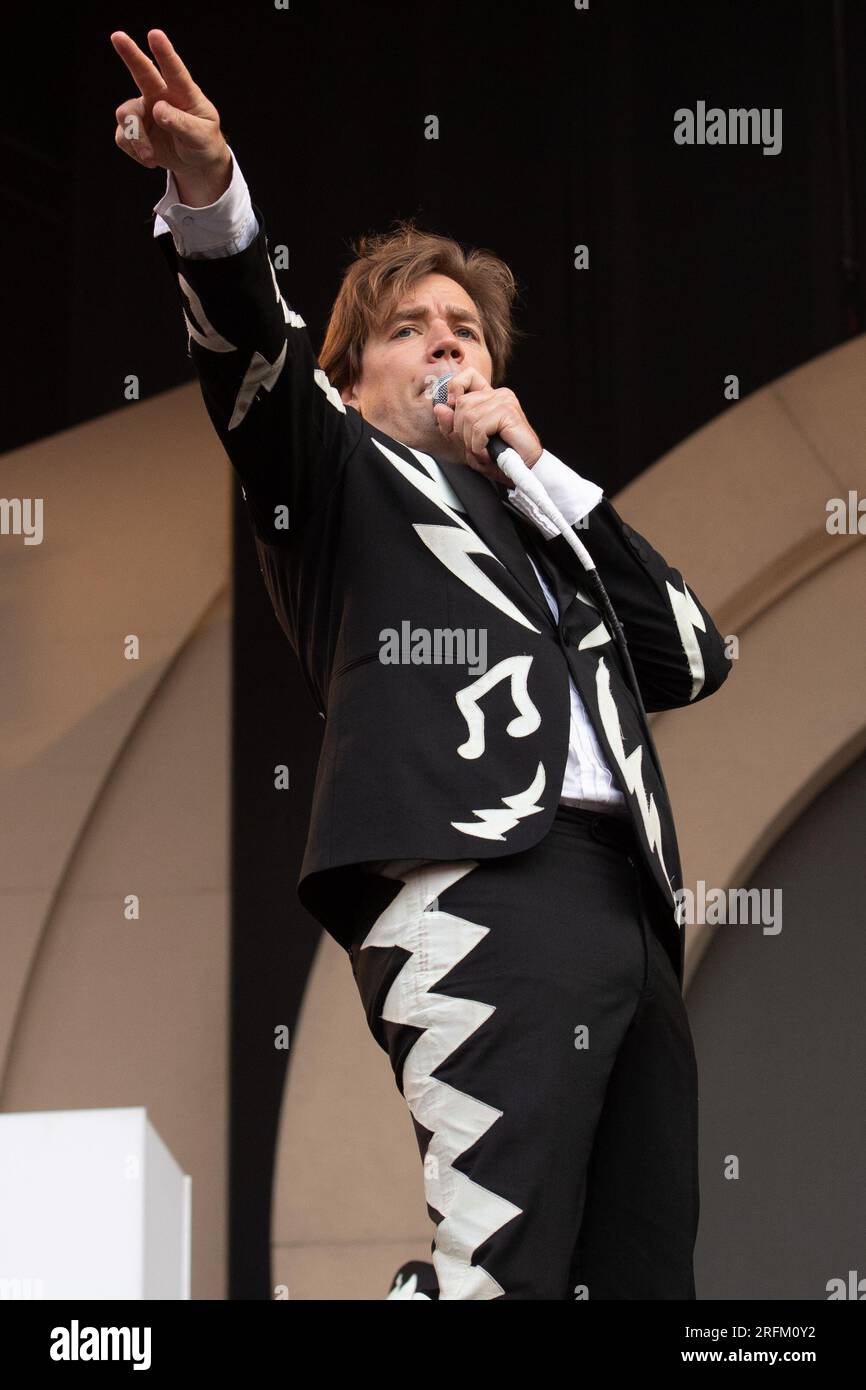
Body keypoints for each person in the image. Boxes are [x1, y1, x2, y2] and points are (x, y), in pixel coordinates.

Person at [112, 27, 734, 1300]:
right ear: (353, 375)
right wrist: (207, 192)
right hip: (482, 882)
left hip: (627, 904)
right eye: (411, 330)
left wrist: (539, 470)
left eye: (468, 331)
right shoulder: (333, 471)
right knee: (501, 1256)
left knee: (640, 1280)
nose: (448, 346)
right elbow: (254, 353)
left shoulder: (542, 523)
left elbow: (687, 652)